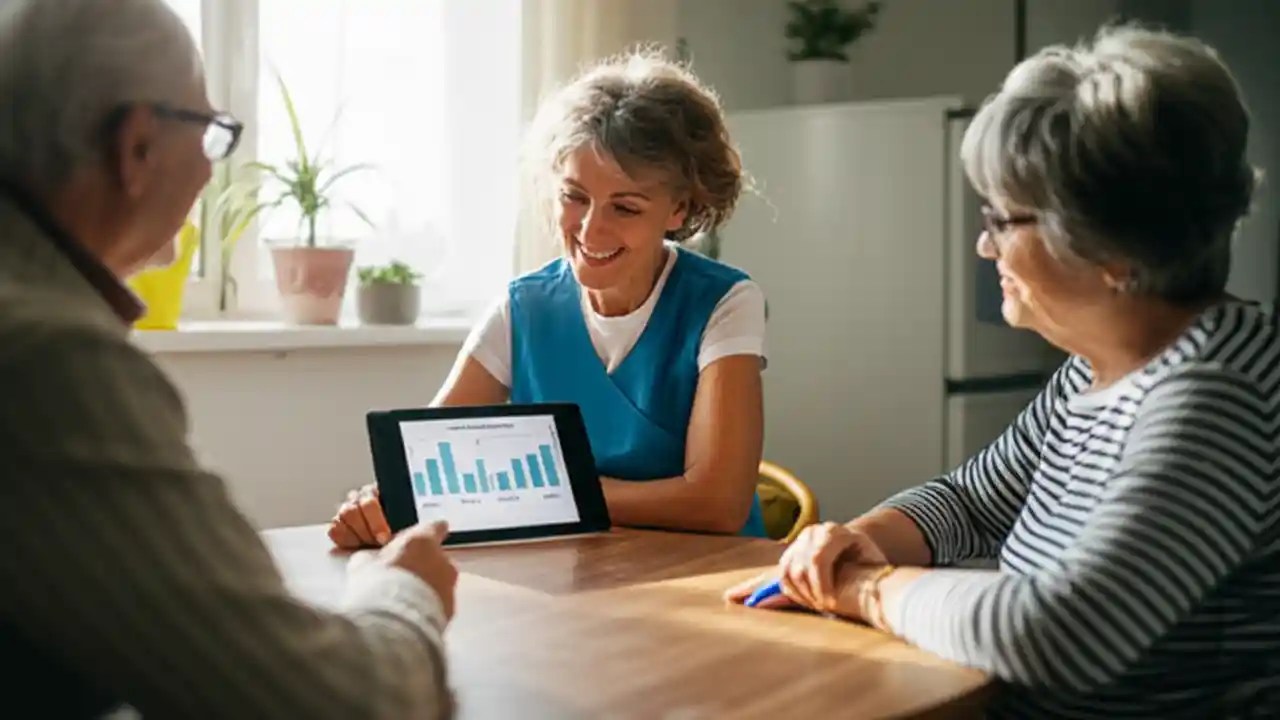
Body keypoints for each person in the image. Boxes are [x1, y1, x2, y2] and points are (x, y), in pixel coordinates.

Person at [728, 25, 1279, 718]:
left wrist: (864, 590)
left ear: (1113, 245)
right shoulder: (1094, 370)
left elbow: (1062, 631)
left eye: (1002, 218)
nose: (985, 244)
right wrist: (856, 540)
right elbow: (970, 503)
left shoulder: (1216, 394)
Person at [0, 1, 457, 717]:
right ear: (137, 147)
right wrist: (404, 587)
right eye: (212, 134)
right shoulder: (50, 357)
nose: (215, 172)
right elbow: (346, 705)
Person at [329, 52, 769, 547]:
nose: (589, 228)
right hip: (577, 574)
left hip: (706, 578)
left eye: (624, 207)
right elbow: (426, 469)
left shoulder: (725, 303)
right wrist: (383, 503)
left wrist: (548, 495)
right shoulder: (523, 310)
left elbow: (718, 503)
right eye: (574, 196)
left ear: (680, 209)